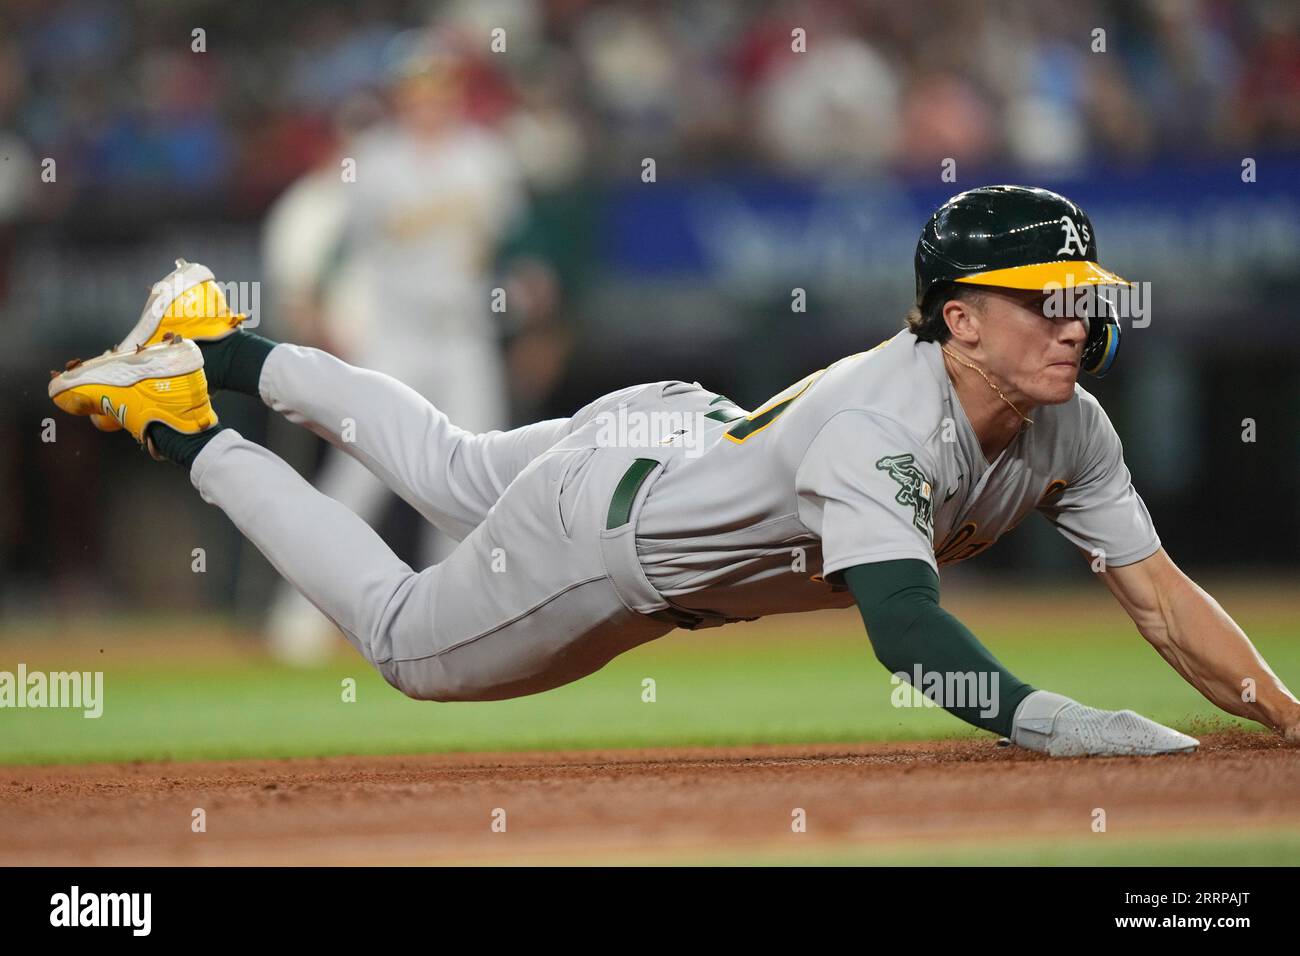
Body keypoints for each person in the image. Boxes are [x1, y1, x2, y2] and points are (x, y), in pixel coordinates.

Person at [47, 186, 1300, 757]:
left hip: (673, 431)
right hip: (610, 539)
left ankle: (221, 338)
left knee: (446, 461)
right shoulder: (888, 423)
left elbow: (1156, 593)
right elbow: (908, 635)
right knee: (401, 643)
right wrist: (1065, 726)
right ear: (957, 320)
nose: (1077, 321)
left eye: (1084, 296)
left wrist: (1281, 709)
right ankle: (184, 424)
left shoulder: (1068, 422)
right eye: (1044, 300)